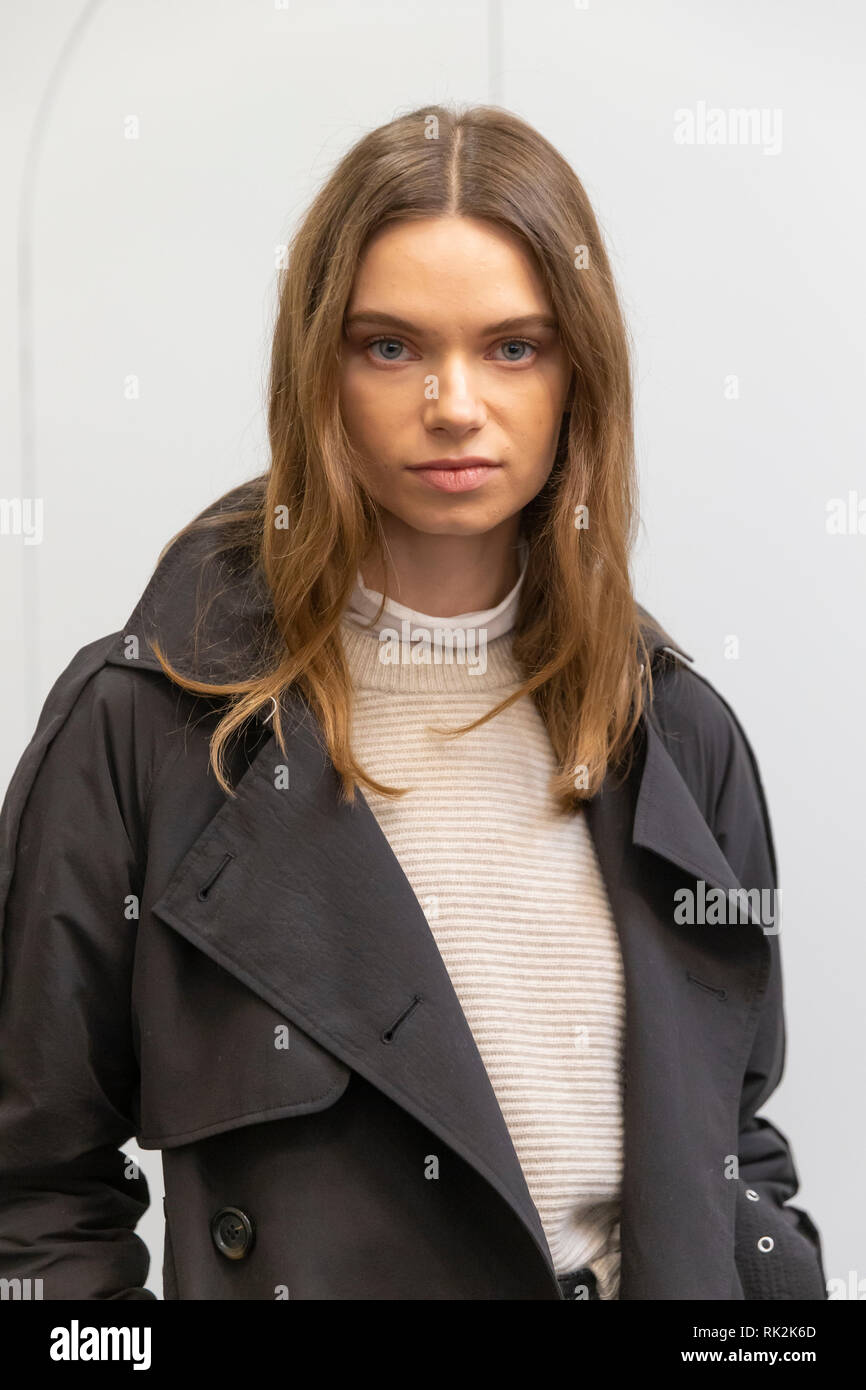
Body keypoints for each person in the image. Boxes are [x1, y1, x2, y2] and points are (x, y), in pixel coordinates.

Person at [0, 103, 826, 1301]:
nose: (452, 402)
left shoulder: (672, 732)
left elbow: (732, 1142)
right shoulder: (148, 725)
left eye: (512, 346)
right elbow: (31, 1195)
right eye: (389, 345)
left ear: (577, 370)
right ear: (316, 365)